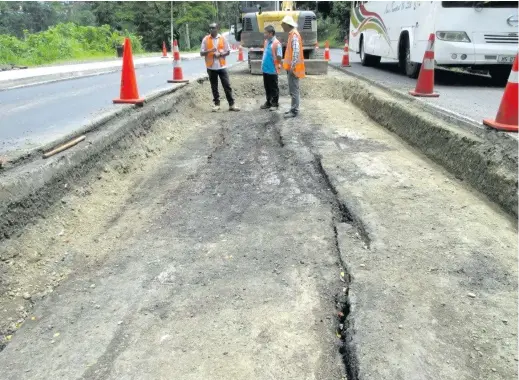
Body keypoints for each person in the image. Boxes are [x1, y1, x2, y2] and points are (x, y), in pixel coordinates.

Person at [200, 23, 240, 112]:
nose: (211, 30)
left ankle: (231, 104)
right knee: (214, 87)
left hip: (222, 67)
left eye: (213, 28)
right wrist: (210, 51)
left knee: (227, 85)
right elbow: (201, 53)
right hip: (211, 67)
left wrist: (220, 54)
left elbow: (228, 51)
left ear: (217, 28)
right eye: (210, 28)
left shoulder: (222, 38)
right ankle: (217, 104)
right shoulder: (206, 39)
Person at [281, 15, 305, 118]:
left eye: (283, 24)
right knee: (293, 89)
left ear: (287, 25)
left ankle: (294, 111)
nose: (282, 26)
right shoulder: (292, 34)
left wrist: (292, 65)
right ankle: (293, 108)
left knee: (294, 90)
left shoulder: (294, 35)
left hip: (293, 68)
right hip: (292, 68)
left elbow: (296, 51)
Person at [260, 25, 283, 111]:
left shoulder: (276, 43)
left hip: (272, 69)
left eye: (266, 33)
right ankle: (268, 102)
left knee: (273, 87)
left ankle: (275, 103)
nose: (264, 34)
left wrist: (278, 64)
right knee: (267, 87)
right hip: (265, 69)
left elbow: (279, 56)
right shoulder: (266, 42)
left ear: (271, 33)